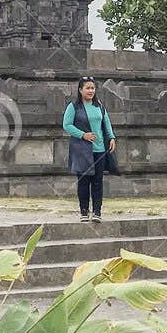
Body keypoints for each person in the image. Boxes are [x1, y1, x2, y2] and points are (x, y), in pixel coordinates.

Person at [63, 76, 116, 223]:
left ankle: (97, 212)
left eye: (93, 88)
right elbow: (67, 125)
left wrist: (111, 137)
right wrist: (83, 135)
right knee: (83, 181)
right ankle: (84, 211)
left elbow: (106, 122)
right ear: (80, 90)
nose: (91, 91)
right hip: (82, 150)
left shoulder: (99, 106)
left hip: (99, 149)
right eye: (87, 88)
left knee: (98, 182)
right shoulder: (74, 107)